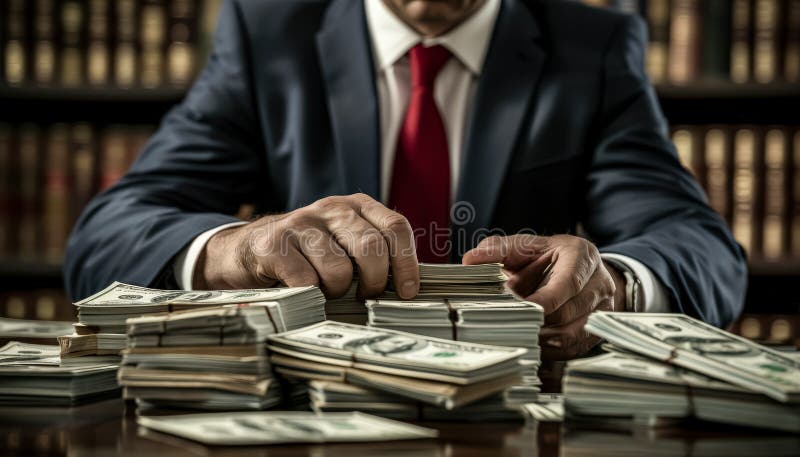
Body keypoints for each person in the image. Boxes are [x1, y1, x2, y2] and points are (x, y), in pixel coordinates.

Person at [64, 0, 747, 360]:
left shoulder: (591, 47)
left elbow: (701, 245)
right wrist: (236, 249)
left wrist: (614, 284)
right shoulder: (267, 33)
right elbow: (109, 231)